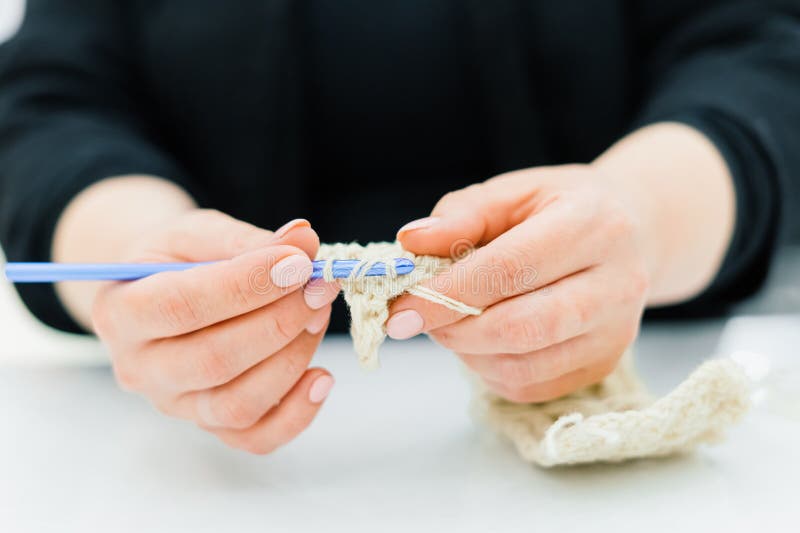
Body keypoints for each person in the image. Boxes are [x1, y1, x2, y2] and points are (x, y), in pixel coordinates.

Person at [0, 0, 798, 455]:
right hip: (179, 471)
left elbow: (765, 50)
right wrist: (135, 260)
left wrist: (650, 213)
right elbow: (49, 101)